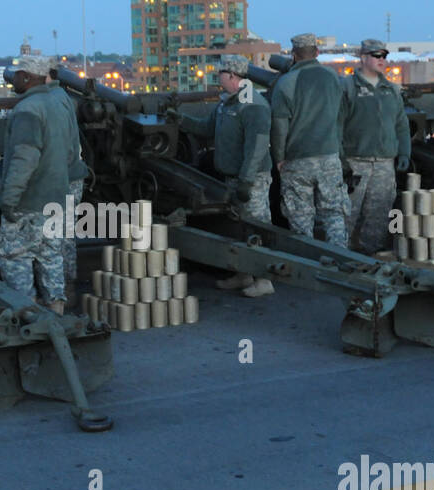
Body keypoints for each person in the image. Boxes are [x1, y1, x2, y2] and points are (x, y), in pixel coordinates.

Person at [170, 54, 275, 296]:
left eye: (221, 74)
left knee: (257, 226)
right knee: (239, 228)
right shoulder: (226, 103)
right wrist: (181, 120)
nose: (218, 78)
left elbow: (257, 148)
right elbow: (207, 128)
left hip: (251, 178)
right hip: (232, 178)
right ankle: (244, 274)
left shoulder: (254, 105)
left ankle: (264, 280)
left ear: (232, 76)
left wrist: (247, 181)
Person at [0, 54, 70, 313]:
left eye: (17, 73)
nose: (13, 77)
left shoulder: (27, 109)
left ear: (26, 78)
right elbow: (71, 153)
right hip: (55, 201)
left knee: (15, 259)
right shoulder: (57, 104)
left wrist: (9, 201)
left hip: (28, 203)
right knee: (51, 258)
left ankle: (28, 320)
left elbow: (24, 159)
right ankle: (57, 315)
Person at [269, 33, 351, 248]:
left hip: (297, 160)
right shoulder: (333, 77)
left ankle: (309, 264)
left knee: (300, 218)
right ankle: (342, 261)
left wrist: (279, 157)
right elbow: (339, 117)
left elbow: (279, 126)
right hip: (329, 156)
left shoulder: (286, 83)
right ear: (317, 52)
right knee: (334, 214)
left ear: (293, 55)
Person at [342, 39, 411, 254]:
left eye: (384, 56)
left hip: (384, 165)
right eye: (376, 55)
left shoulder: (391, 90)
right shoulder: (347, 87)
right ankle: (343, 258)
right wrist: (341, 160)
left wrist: (404, 152)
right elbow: (336, 124)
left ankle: (371, 260)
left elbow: (401, 124)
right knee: (347, 214)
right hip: (356, 163)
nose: (382, 60)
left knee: (379, 216)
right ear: (363, 57)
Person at [49, 62, 87, 301]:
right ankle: (67, 288)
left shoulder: (52, 103)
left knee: (56, 237)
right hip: (71, 176)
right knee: (65, 235)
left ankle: (60, 293)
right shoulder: (64, 100)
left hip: (62, 179)